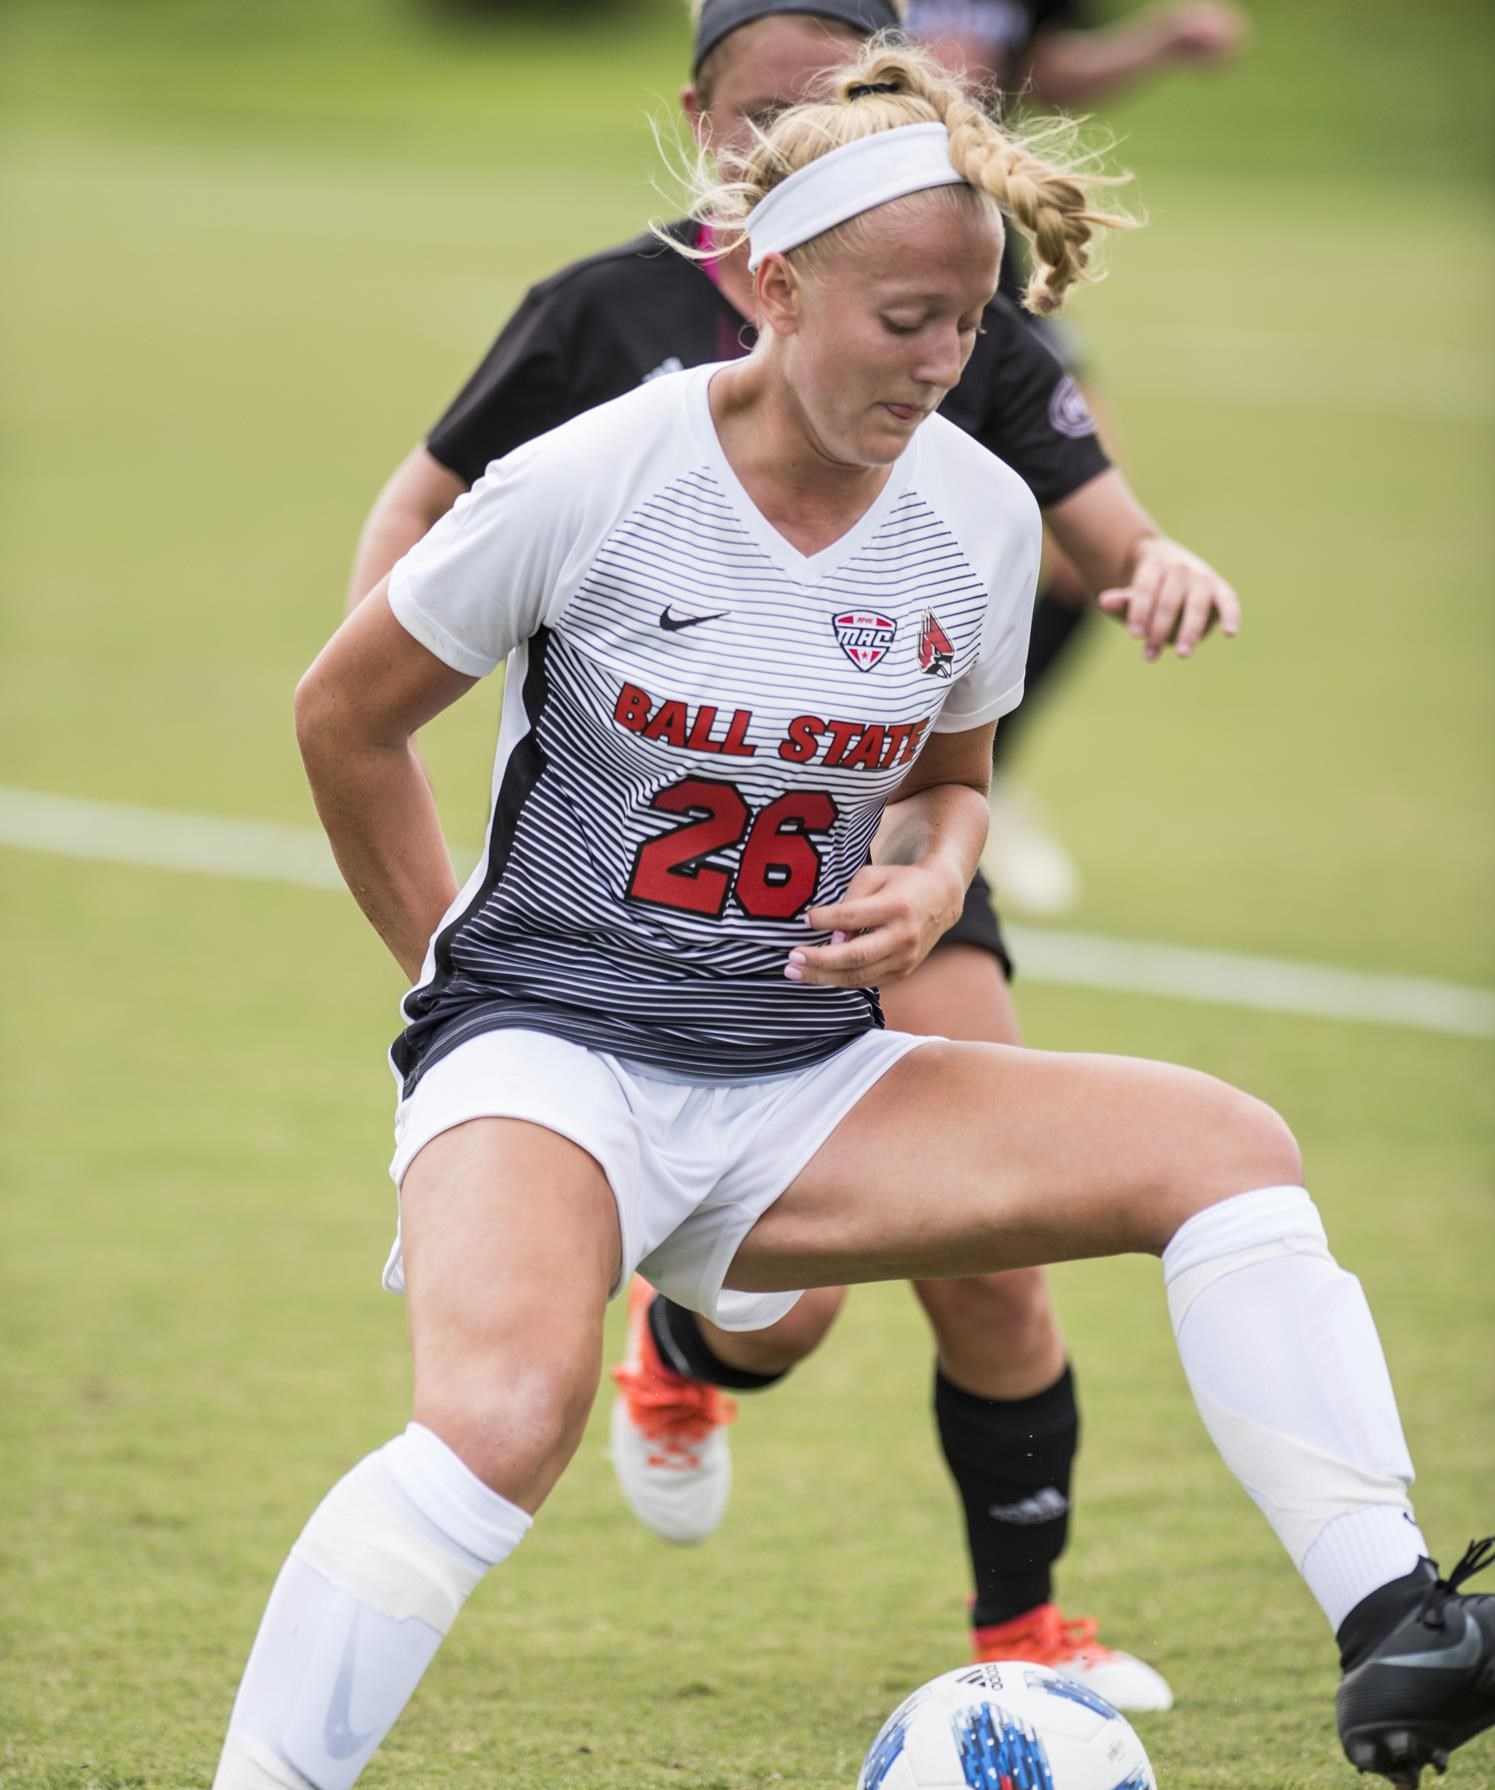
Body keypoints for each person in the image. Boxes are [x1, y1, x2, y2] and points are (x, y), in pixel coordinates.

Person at [213, 44, 1494, 1789]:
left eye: (968, 322)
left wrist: (939, 868)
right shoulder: (595, 475)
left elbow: (954, 776)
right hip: (556, 1062)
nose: (944, 361)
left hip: (800, 1081)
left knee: (1227, 1148)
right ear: (773, 284)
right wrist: (457, 987)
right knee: (503, 1419)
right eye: (905, 320)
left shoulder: (976, 516)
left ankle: (1396, 1624)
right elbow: (342, 717)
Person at [344, 0, 1239, 1708]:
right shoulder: (603, 316)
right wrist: (405, 648)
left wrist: (1153, 564)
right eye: (756, 114)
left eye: (827, 104)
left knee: (995, 1259)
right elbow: (420, 517)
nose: (782, 146)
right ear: (697, 118)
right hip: (631, 894)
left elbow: (1092, 523)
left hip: (882, 847)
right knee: (787, 1312)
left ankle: (1021, 1629)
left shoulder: (950, 314)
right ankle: (688, 1344)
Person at [909, 0, 1250, 915]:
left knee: (1083, 547)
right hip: (862, 238)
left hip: (985, 244)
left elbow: (1045, 69)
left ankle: (978, 780)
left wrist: (1158, 45)